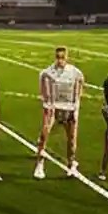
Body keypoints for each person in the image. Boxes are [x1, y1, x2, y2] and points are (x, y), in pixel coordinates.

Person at [35, 46, 86, 178]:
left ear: (67, 57)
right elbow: (43, 91)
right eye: (58, 57)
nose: (60, 60)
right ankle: (40, 163)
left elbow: (79, 87)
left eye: (63, 57)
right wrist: (47, 105)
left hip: (69, 108)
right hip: (53, 108)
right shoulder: (47, 72)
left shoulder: (75, 72)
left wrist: (76, 107)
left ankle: (71, 163)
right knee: (44, 134)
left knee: (71, 138)